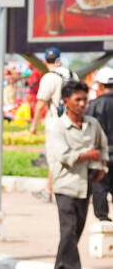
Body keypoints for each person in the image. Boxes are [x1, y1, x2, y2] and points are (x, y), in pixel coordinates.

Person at [45, 78, 109, 269]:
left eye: (85, 100)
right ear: (66, 101)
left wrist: (101, 166)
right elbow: (66, 156)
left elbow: (103, 146)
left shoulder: (93, 124)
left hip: (86, 183)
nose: (82, 104)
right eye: (77, 100)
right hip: (65, 184)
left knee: (76, 229)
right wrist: (89, 154)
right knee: (68, 228)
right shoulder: (57, 127)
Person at [31, 48, 77, 204]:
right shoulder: (72, 75)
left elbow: (40, 104)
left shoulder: (49, 78)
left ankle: (49, 190)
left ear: (45, 61)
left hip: (55, 123)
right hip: (72, 122)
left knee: (54, 157)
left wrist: (34, 125)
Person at [86, 67, 113, 223]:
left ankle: (103, 220)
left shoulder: (93, 105)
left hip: (100, 155)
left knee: (100, 187)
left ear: (100, 86)